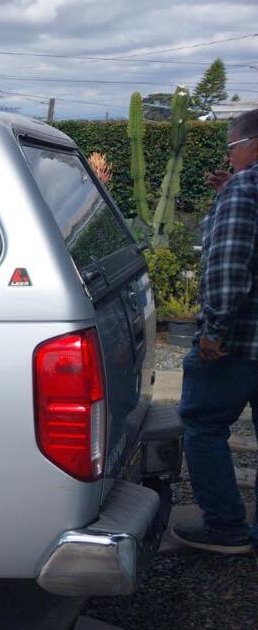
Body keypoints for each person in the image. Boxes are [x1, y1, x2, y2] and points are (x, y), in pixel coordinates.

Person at [173, 108, 258, 554]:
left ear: (253, 143)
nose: (229, 160)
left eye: (231, 148)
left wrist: (212, 329)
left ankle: (225, 531)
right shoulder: (243, 189)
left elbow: (227, 268)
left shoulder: (245, 187)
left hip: (239, 343)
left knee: (203, 427)